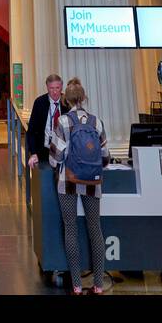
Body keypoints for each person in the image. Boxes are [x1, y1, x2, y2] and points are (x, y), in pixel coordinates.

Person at [48, 77, 109, 295]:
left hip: (68, 182)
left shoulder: (63, 122)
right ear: (83, 98)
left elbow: (56, 158)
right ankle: (99, 284)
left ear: (66, 99)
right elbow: (105, 157)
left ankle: (76, 284)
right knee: (95, 229)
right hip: (92, 182)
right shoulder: (96, 122)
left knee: (71, 228)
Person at [26, 73, 65, 169]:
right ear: (47, 87)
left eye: (57, 88)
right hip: (44, 151)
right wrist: (33, 153)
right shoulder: (39, 102)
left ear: (61, 87)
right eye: (51, 88)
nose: (55, 92)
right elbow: (31, 131)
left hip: (64, 151)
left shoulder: (67, 102)